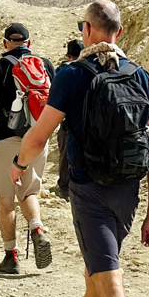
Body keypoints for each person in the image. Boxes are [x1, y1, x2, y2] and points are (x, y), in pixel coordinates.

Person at [11, 1, 149, 297]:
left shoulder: (73, 75)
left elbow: (40, 134)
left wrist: (18, 164)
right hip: (128, 194)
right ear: (120, 31)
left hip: (89, 191)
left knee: (108, 281)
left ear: (86, 30)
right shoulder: (143, 78)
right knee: (95, 277)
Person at [0, 23, 56, 274]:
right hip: (36, 136)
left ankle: (11, 257)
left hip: (5, 138)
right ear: (29, 44)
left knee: (5, 198)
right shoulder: (46, 65)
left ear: (5, 43)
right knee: (29, 192)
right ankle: (37, 228)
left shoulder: (0, 67)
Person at [55, 39, 84, 201]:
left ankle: (65, 188)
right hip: (88, 121)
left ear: (68, 55)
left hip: (67, 121)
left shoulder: (64, 71)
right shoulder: (93, 68)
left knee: (65, 154)